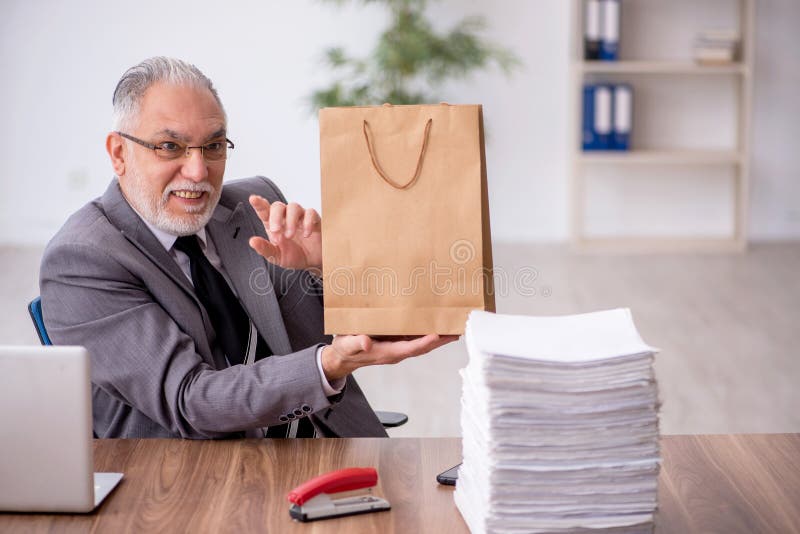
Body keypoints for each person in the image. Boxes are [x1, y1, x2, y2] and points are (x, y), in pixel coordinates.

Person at [39, 57, 455, 439]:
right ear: (119, 153)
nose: (199, 170)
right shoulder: (82, 259)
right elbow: (191, 399)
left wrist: (328, 267)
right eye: (170, 147)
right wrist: (327, 365)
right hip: (192, 481)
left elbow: (347, 332)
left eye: (214, 145)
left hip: (334, 446)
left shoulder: (252, 205)